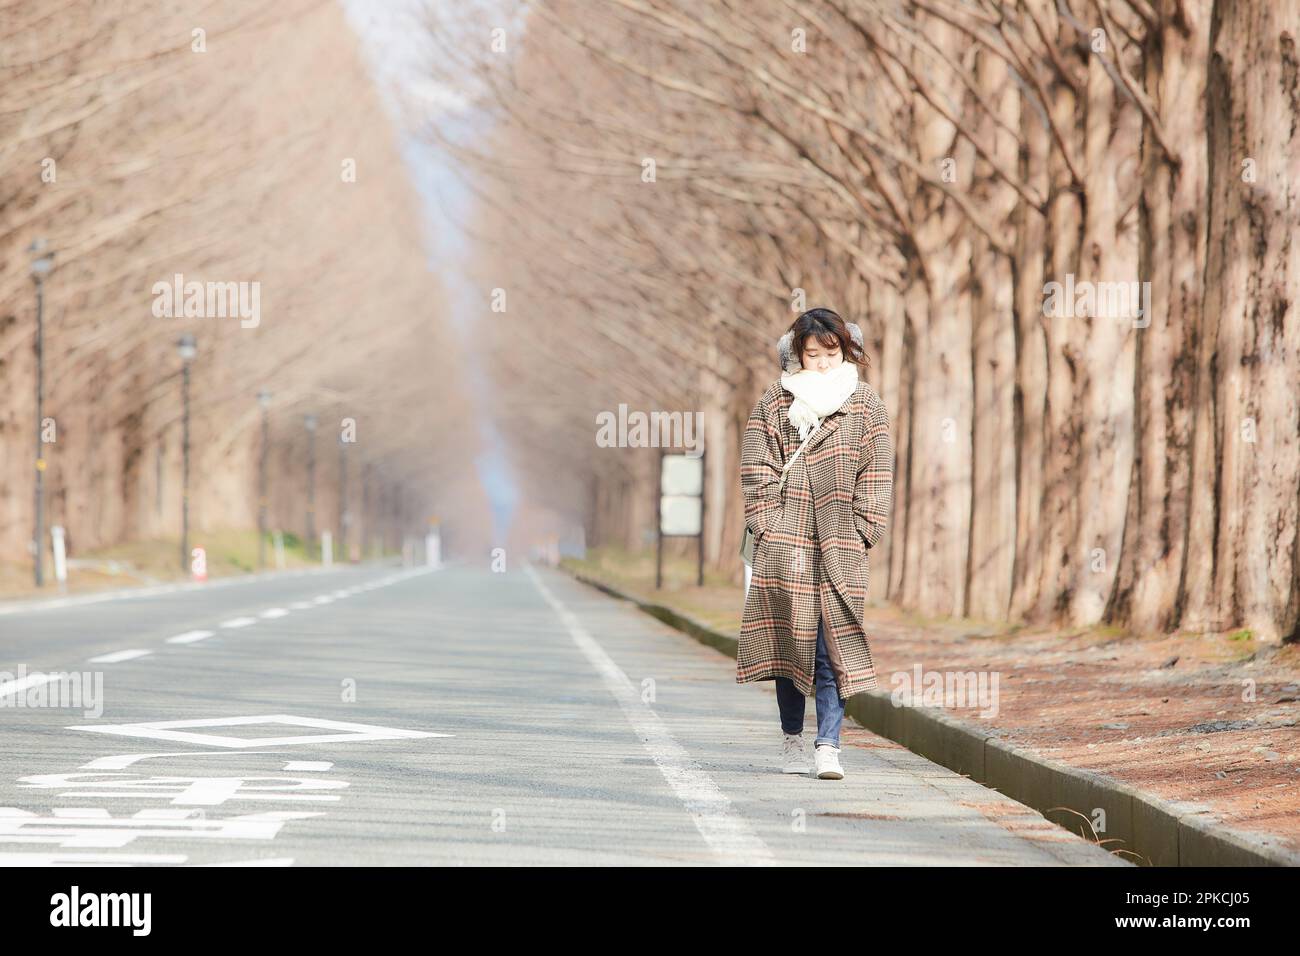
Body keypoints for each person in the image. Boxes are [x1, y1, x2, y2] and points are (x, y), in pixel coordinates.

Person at [737, 307, 895, 780]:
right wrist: (767, 526)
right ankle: (792, 739)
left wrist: (863, 528)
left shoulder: (866, 405)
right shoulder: (773, 402)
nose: (822, 363)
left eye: (831, 353)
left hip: (841, 546)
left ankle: (828, 744)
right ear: (796, 355)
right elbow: (756, 467)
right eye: (812, 354)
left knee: (832, 647)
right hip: (786, 545)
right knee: (792, 644)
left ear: (845, 349)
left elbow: (878, 473)